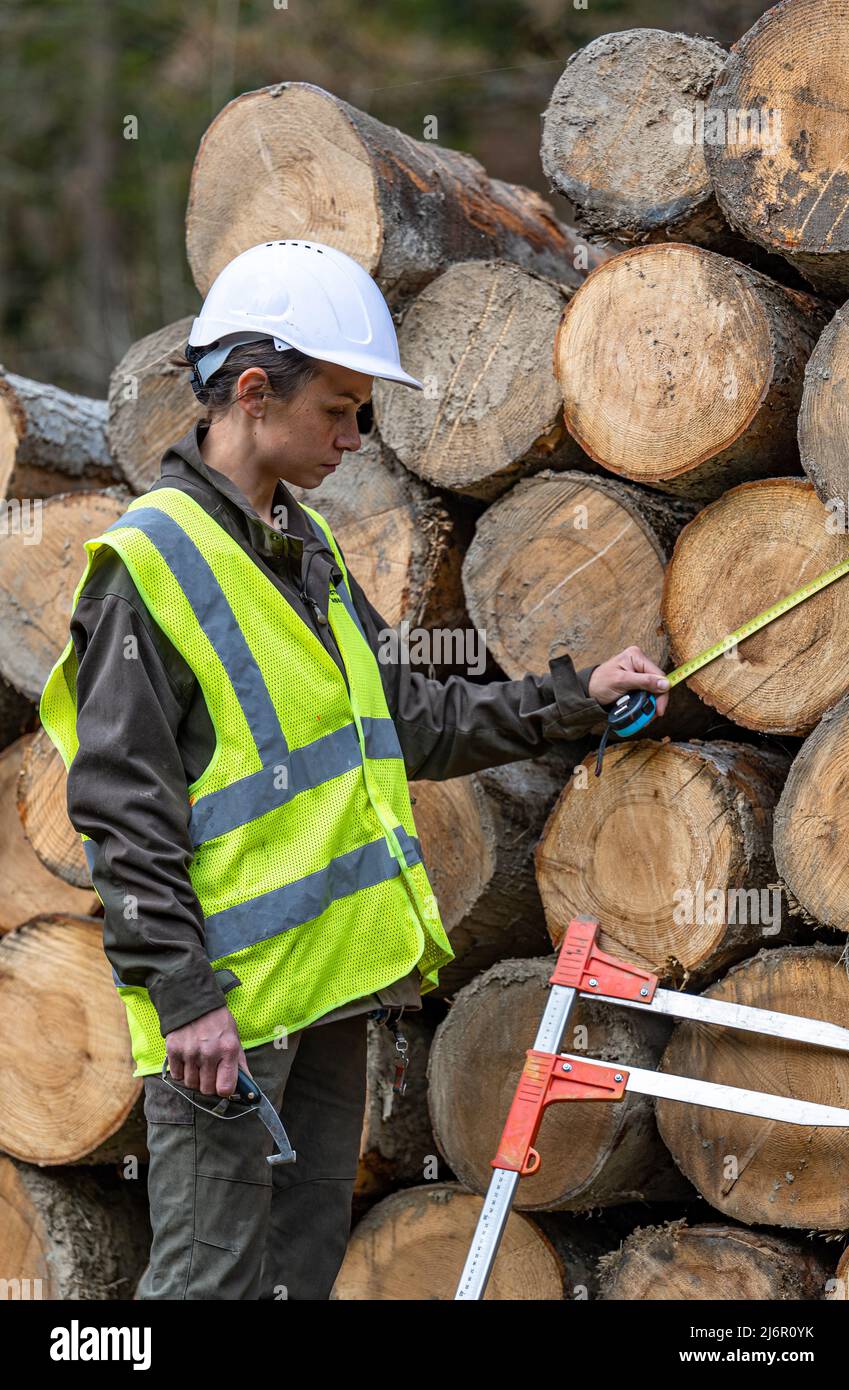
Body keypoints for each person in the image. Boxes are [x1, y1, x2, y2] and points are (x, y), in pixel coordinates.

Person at [39, 239, 670, 1301]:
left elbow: (406, 720)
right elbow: (120, 807)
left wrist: (574, 696)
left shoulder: (303, 544)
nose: (354, 436)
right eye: (339, 410)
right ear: (252, 392)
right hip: (225, 1017)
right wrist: (185, 996)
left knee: (295, 1271)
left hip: (324, 992)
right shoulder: (149, 563)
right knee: (208, 1283)